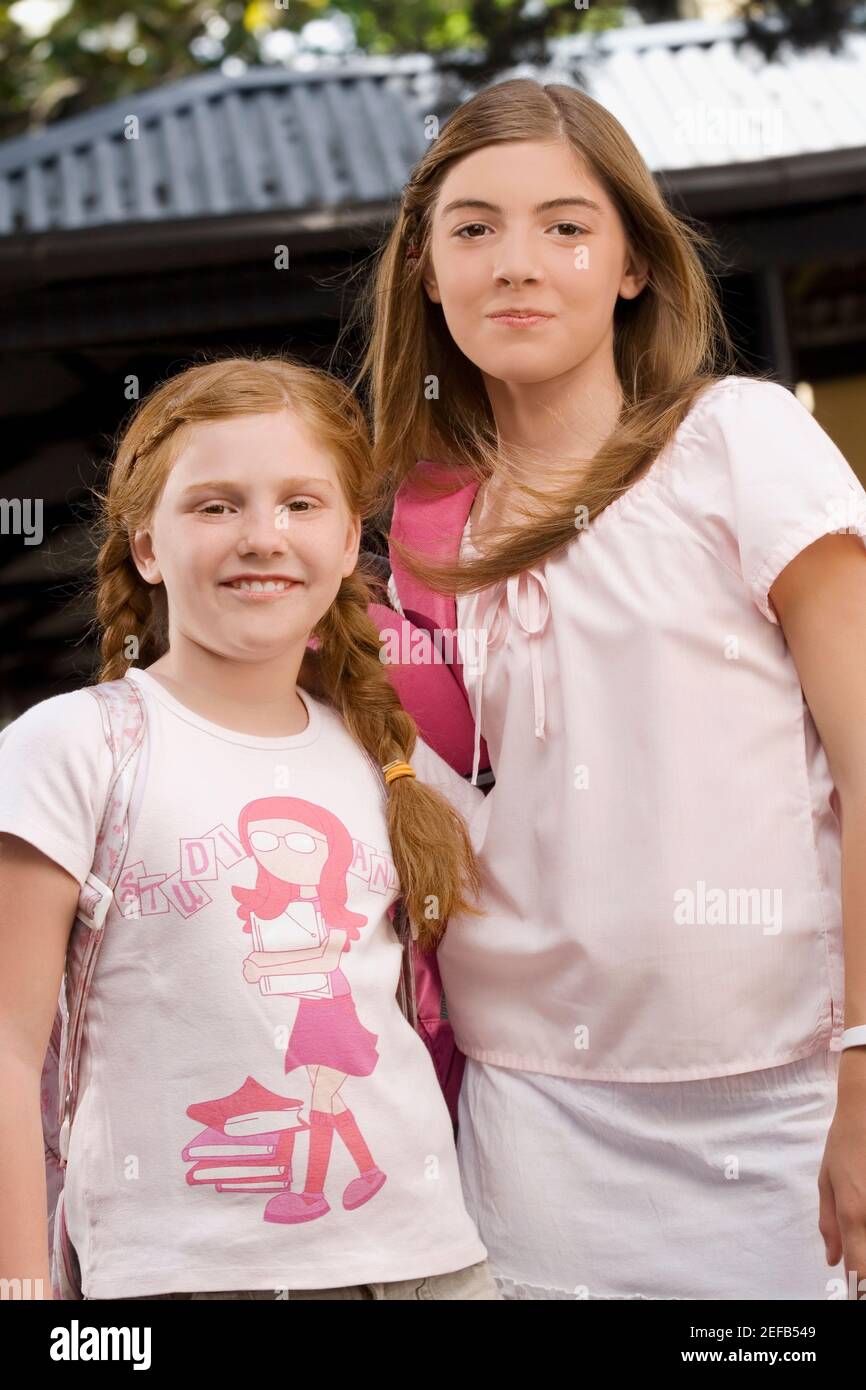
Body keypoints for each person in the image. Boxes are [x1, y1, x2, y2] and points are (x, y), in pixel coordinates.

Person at [356, 77, 866, 1300]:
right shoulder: (419, 531)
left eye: (564, 226)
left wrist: (864, 1064)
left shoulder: (738, 439)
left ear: (631, 263)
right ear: (427, 271)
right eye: (471, 229)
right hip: (534, 1112)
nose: (514, 263)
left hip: (787, 1086)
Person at [0, 354, 500, 1301]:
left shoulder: (382, 753)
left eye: (301, 505)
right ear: (147, 545)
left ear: (353, 539)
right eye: (216, 505)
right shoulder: (75, 747)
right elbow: (7, 1046)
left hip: (431, 1263)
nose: (262, 537)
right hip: (183, 1280)